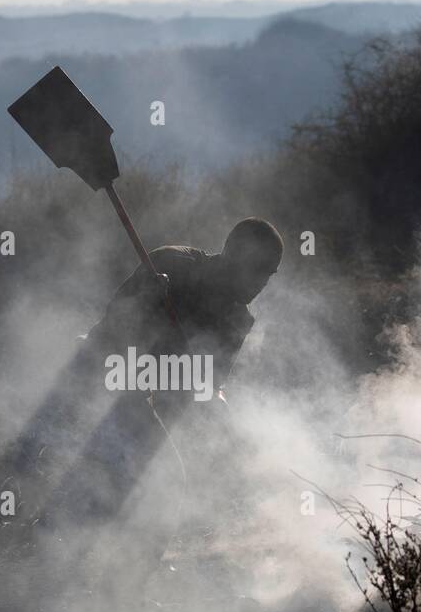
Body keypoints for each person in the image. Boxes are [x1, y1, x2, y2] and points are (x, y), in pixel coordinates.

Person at [47, 217, 285, 525]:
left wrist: (212, 398)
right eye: (255, 269)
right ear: (231, 252)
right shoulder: (173, 262)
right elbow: (112, 323)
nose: (260, 284)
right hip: (101, 375)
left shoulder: (238, 320)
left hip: (146, 403)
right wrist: (144, 298)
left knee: (161, 479)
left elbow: (206, 385)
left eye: (267, 275)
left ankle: (112, 550)